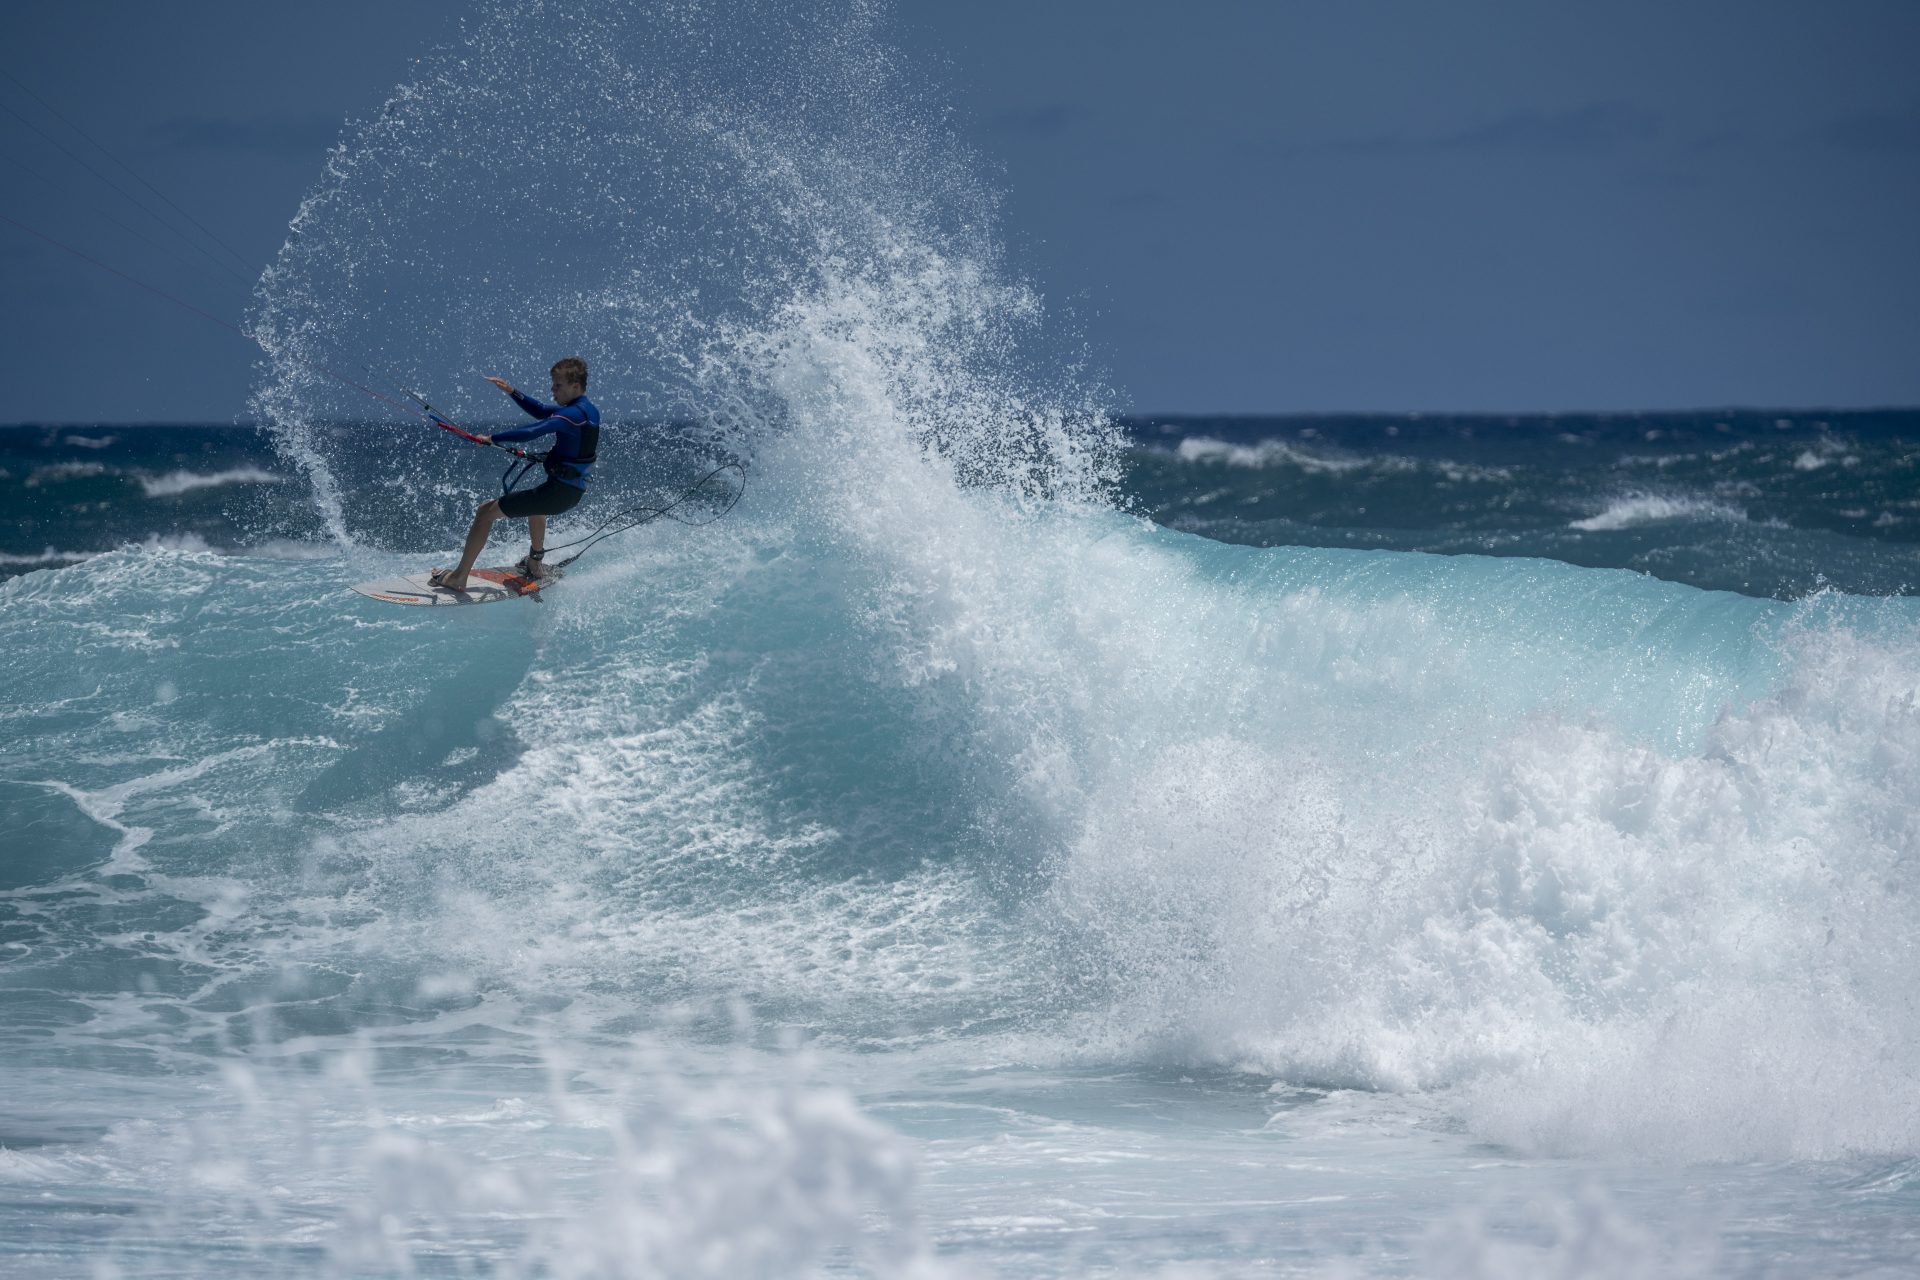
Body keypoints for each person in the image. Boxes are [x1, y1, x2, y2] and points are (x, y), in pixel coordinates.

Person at [430, 357, 599, 591]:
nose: (553, 390)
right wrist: (512, 391)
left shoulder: (571, 415)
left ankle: (459, 578)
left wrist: (492, 438)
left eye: (558, 385)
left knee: (485, 512)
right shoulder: (587, 411)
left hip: (559, 493)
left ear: (575, 386)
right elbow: (541, 411)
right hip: (570, 491)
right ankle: (535, 564)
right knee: (536, 505)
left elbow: (533, 431)